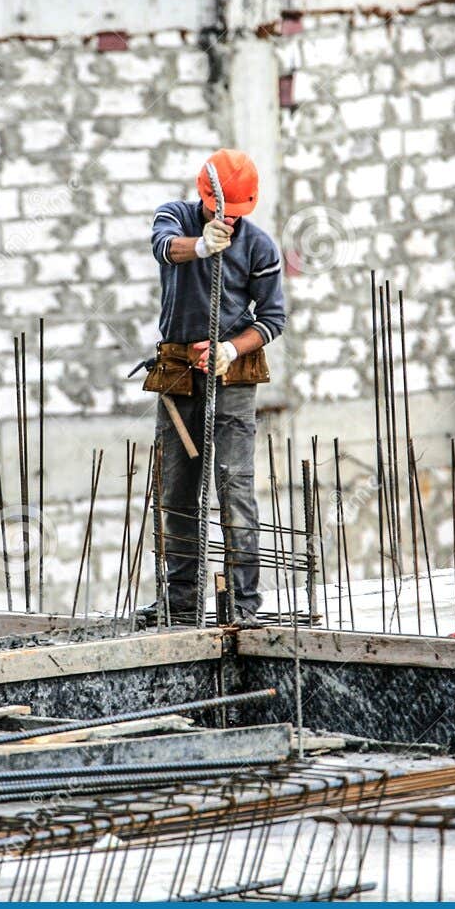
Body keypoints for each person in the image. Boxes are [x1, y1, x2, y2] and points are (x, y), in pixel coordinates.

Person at [140, 150, 286, 626]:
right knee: (178, 492)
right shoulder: (175, 216)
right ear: (204, 196)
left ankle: (243, 605)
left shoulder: (259, 247)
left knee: (235, 488)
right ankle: (181, 602)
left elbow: (272, 319)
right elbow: (165, 247)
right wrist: (201, 246)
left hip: (230, 379)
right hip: (179, 373)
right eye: (221, 209)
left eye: (237, 213)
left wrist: (231, 348)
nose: (228, 219)